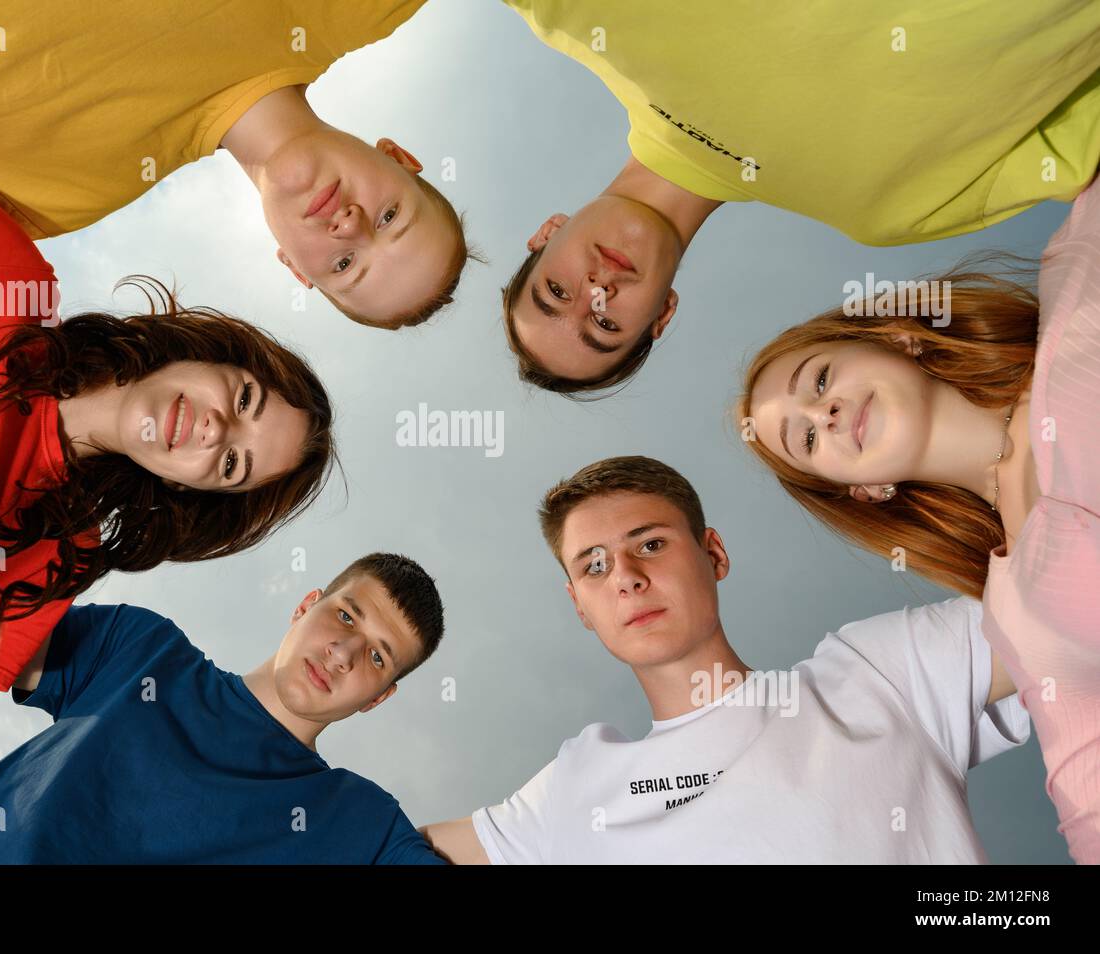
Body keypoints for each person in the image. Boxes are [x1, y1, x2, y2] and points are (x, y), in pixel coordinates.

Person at [0, 1, 335, 694]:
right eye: (243, 398)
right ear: (207, 351)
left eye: (232, 462)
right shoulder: (3, 284)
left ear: (191, 489)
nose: (214, 429)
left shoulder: (47, 569)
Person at [421, 456, 1028, 863]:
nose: (626, 578)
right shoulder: (573, 790)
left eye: (650, 544)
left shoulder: (876, 674)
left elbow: (1062, 604)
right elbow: (370, 847)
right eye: (594, 565)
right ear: (579, 604)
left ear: (714, 554)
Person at [739, 184, 1100, 862]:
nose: (826, 416)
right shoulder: (1017, 614)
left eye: (818, 382)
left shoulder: (1078, 274)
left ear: (896, 338)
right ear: (868, 489)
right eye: (807, 441)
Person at [498, 0, 1100, 394]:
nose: (598, 291)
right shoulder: (889, 210)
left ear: (547, 232)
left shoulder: (577, 13)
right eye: (605, 324)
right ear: (662, 315)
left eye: (557, 291)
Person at [0, 0, 471, 329]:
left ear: (295, 268)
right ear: (400, 157)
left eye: (346, 267)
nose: (352, 228)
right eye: (392, 217)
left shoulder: (57, 197)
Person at [0, 554, 447, 865]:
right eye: (344, 615)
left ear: (379, 697)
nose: (343, 652)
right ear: (305, 605)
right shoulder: (143, 650)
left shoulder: (358, 821)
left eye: (378, 658)